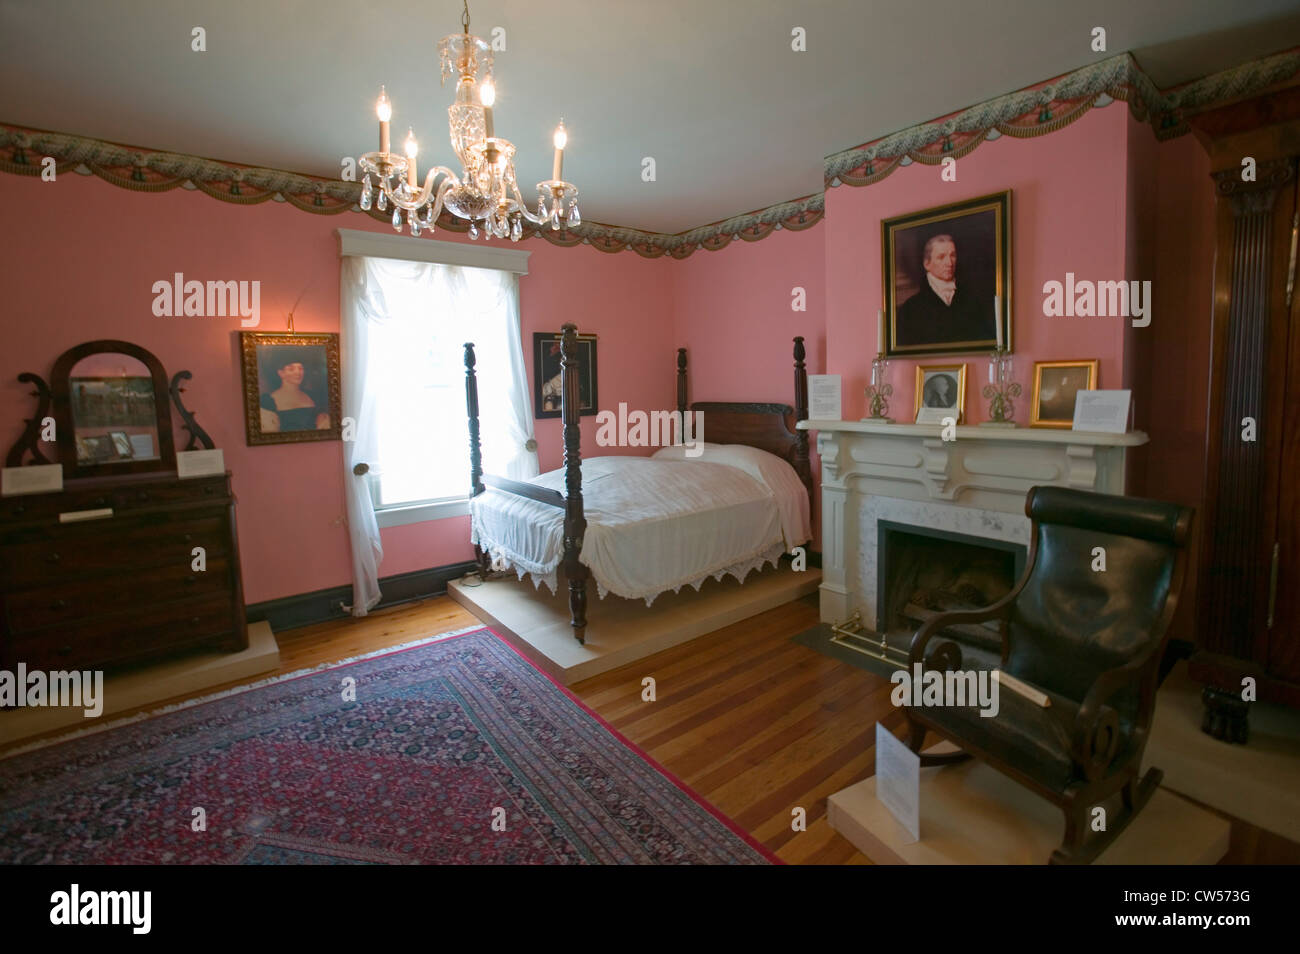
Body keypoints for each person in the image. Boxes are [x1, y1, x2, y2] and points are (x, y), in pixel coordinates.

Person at [895, 234, 992, 347]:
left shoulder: (972, 301)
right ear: (927, 264)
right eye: (941, 257)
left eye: (953, 255)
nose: (949, 263)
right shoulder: (910, 309)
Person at [259, 347, 330, 432]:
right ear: (281, 373)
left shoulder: (312, 396)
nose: (298, 372)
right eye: (291, 369)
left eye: (300, 368)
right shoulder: (268, 401)